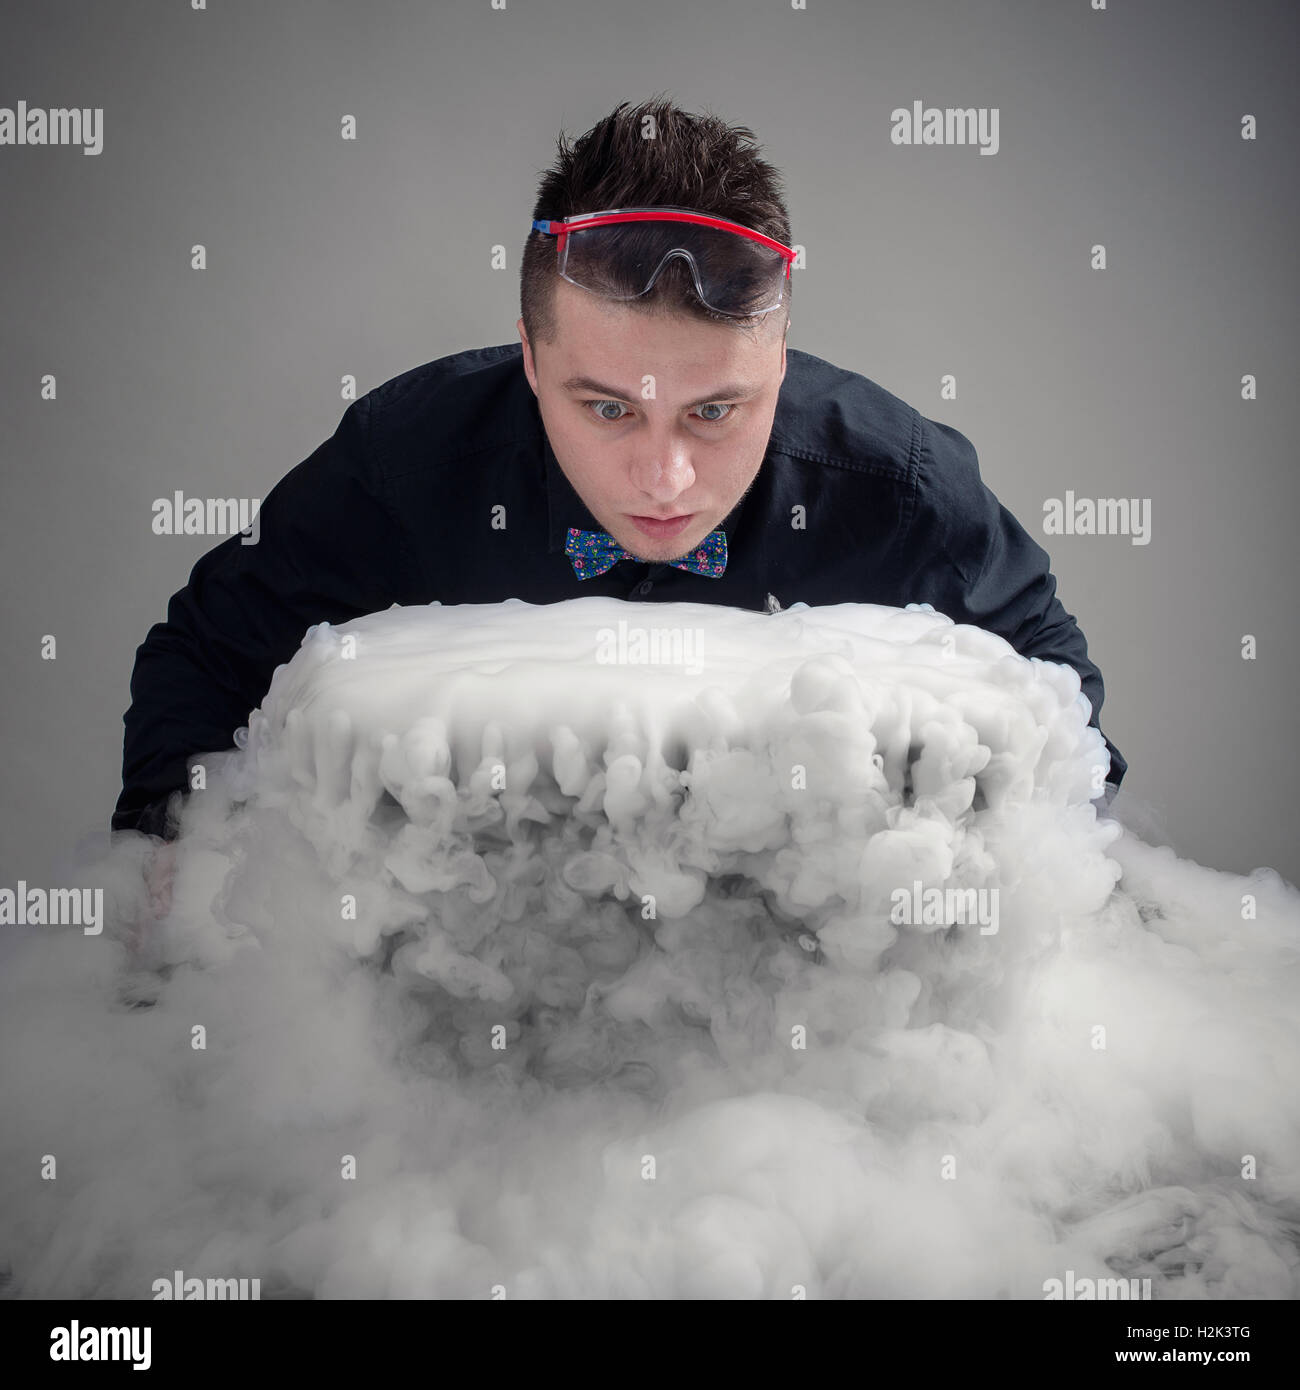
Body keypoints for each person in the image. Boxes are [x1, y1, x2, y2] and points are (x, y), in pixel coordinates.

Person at [115, 95, 1127, 914]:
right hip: (465, 1007)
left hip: (797, 1027)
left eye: (715, 411)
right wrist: (183, 848)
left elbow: (1061, 710)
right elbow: (204, 659)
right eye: (606, 407)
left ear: (780, 363)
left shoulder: (895, 488)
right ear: (529, 355)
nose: (664, 478)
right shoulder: (403, 465)